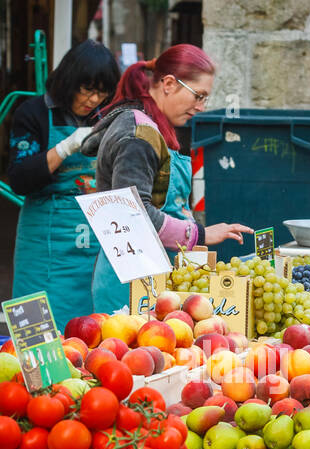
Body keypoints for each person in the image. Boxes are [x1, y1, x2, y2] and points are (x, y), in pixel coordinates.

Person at [82, 44, 251, 313]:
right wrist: (202, 233)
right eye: (199, 96)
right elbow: (134, 215)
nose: (201, 107)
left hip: (149, 279)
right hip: (130, 286)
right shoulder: (138, 136)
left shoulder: (152, 127)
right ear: (169, 84)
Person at [6, 40, 121, 326]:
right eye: (88, 89)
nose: (94, 100)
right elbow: (20, 178)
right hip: (46, 242)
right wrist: (65, 147)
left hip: (97, 237)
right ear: (69, 81)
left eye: (102, 92)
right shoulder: (32, 114)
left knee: (94, 327)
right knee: (40, 326)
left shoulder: (108, 117)